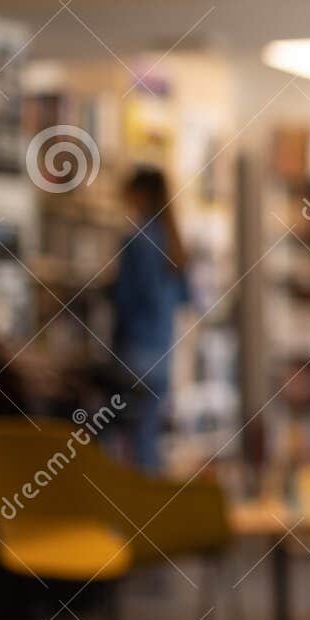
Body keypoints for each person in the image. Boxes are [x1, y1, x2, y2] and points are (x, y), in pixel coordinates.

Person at [111, 166, 190, 474]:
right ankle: (150, 513)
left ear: (141, 194)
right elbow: (183, 299)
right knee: (149, 443)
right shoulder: (174, 242)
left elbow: (125, 299)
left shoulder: (136, 240)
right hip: (163, 356)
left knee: (121, 442)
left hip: (133, 353)